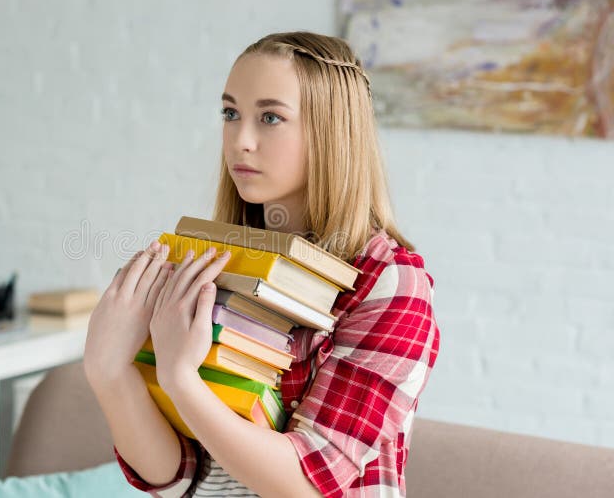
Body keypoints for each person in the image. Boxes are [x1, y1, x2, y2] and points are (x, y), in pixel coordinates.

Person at [83, 30, 441, 497]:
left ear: (332, 132)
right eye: (231, 113)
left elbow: (310, 486)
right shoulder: (218, 259)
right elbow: (181, 479)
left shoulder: (392, 286)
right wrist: (108, 373)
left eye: (270, 117)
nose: (240, 141)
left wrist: (180, 378)